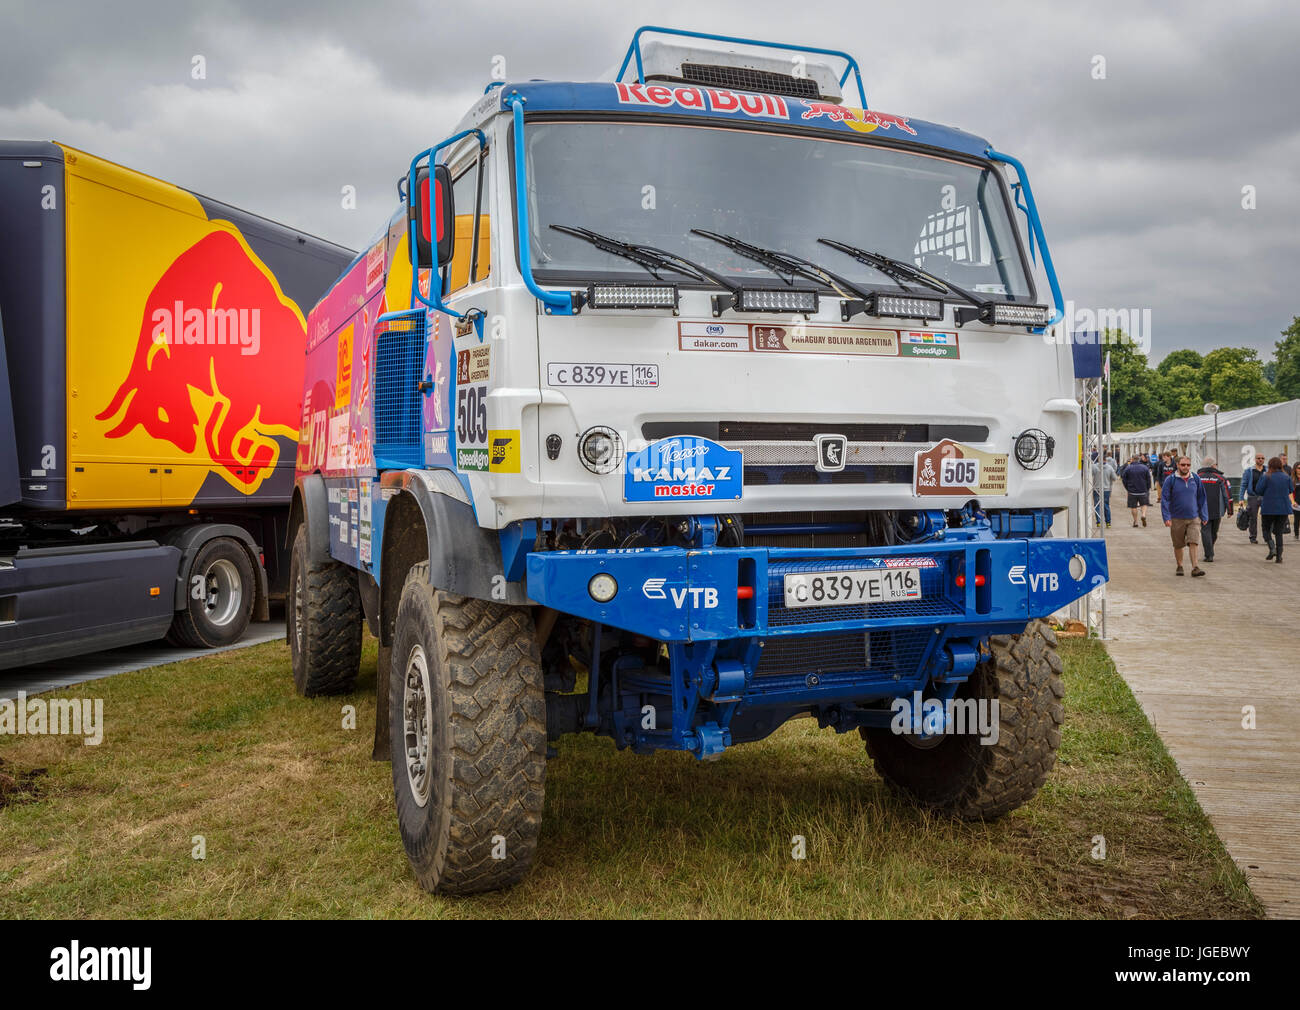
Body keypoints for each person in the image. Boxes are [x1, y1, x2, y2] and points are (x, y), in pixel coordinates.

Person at [1161, 456, 1208, 576]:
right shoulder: (1170, 480)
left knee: (1194, 542)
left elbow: (1202, 497)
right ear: (1177, 465)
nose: (1185, 467)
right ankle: (1180, 565)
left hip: (1193, 517)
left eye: (1188, 465)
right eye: (1183, 465)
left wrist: (1204, 515)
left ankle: (1195, 567)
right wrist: (1166, 517)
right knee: (1178, 544)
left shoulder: (1195, 478)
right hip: (1176, 518)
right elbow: (1165, 499)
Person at [1254, 457, 1295, 563]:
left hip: (1269, 507)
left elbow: (1258, 490)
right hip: (1283, 508)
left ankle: (1272, 548)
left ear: (1270, 465)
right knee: (1279, 532)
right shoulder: (1287, 477)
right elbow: (1291, 489)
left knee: (1266, 529)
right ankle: (1279, 556)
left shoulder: (1266, 476)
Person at [1195, 456, 1233, 562]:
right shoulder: (1221, 478)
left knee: (1205, 531)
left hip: (1202, 510)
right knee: (1213, 532)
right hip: (1217, 510)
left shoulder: (1197, 477)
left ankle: (1209, 553)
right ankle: (1209, 553)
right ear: (1213, 465)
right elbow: (1227, 495)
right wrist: (1230, 510)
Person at [1241, 451, 1268, 544]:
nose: (1260, 460)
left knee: (1267, 517)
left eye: (1262, 458)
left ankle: (1266, 536)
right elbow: (1243, 485)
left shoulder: (1267, 470)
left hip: (1265, 497)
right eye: (1258, 458)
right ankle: (1253, 537)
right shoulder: (1249, 471)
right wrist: (1241, 498)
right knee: (1253, 518)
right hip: (1253, 496)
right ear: (1255, 459)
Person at [1121, 454, 1153, 527]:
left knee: (1133, 507)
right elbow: (1148, 479)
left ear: (1132, 459)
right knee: (1144, 504)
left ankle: (1135, 521)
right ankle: (1143, 515)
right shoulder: (1145, 468)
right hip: (1143, 490)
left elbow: (1124, 479)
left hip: (1132, 491)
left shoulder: (1128, 468)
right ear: (1139, 459)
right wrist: (1147, 488)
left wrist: (1127, 488)